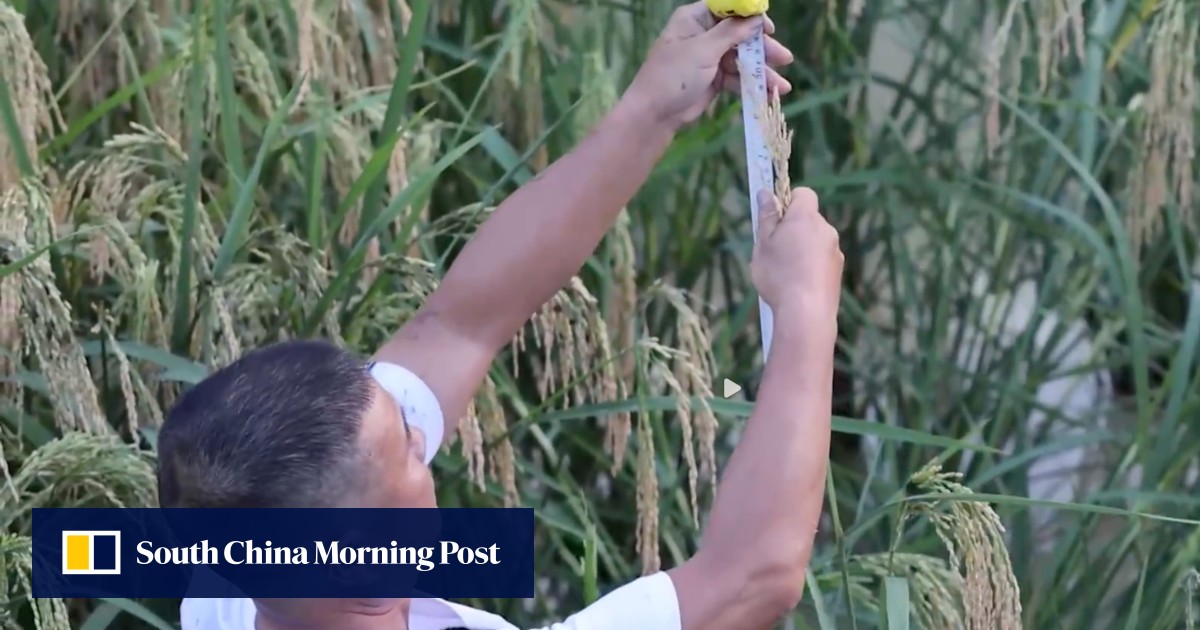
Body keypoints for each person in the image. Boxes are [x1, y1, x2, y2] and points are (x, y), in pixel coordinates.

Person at [161, 2, 843, 628]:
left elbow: (458, 325)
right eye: (411, 449)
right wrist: (809, 311)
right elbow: (754, 576)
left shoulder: (230, 576)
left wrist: (651, 110)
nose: (424, 428)